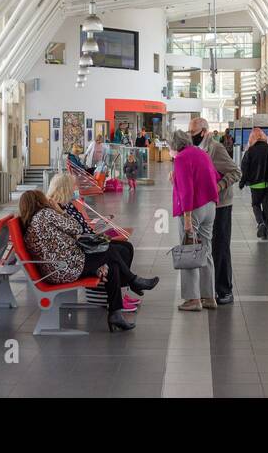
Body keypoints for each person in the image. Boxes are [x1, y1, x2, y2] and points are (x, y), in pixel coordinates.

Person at [16, 189, 157, 333]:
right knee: (109, 249)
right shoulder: (45, 214)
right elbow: (76, 227)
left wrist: (96, 266)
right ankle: (133, 281)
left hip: (56, 271)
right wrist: (60, 211)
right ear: (40, 201)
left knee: (112, 263)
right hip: (68, 267)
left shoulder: (31, 224)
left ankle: (116, 314)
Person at [46, 172, 141, 311]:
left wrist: (99, 226)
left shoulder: (68, 205)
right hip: (84, 246)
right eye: (73, 187)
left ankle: (126, 289)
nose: (76, 190)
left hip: (88, 240)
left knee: (126, 247)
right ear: (64, 189)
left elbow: (81, 225)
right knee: (117, 251)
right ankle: (128, 287)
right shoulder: (56, 210)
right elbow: (73, 233)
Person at [190, 116, 240, 305]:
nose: (190, 136)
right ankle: (208, 289)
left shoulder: (216, 148)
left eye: (193, 133)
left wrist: (218, 187)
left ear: (204, 132)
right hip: (204, 205)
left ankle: (225, 290)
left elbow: (236, 172)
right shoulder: (195, 148)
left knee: (220, 247)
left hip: (221, 205)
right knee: (207, 247)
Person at [169, 127, 220, 311]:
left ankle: (192, 299)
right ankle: (209, 296)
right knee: (205, 250)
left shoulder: (181, 158)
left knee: (189, 251)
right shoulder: (201, 153)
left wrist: (188, 217)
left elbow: (187, 189)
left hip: (194, 209)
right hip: (210, 206)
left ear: (174, 145)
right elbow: (215, 176)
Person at [239, 127, 268, 239]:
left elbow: (244, 168)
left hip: (255, 183)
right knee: (267, 207)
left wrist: (242, 182)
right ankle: (266, 232)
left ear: (252, 138)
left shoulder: (250, 151)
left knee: (255, 204)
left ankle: (261, 223)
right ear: (264, 137)